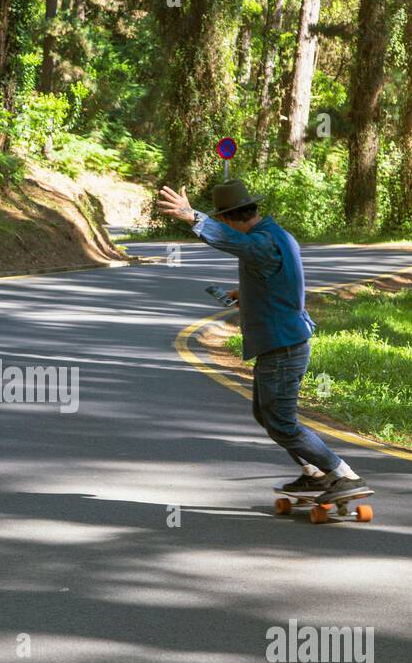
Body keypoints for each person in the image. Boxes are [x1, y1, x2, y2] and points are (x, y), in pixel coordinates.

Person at [156, 180, 371, 504]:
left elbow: (231, 242)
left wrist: (192, 217)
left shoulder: (259, 242)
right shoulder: (277, 236)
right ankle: (314, 473)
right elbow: (278, 277)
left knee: (282, 422)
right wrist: (245, 294)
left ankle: (342, 474)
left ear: (228, 218)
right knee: (265, 414)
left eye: (223, 221)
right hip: (283, 342)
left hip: (282, 347)